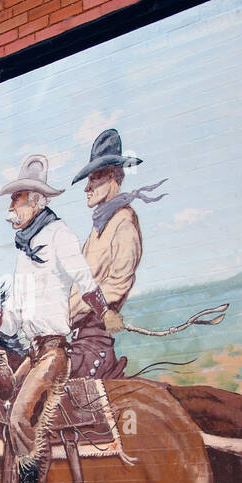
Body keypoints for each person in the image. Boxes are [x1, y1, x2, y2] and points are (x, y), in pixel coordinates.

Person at [0, 154, 110, 483]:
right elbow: (18, 321)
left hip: (54, 354)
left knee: (20, 418)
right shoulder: (24, 251)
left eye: (16, 200)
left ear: (36, 202)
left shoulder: (59, 235)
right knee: (3, 411)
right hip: (34, 352)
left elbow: (83, 277)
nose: (10, 210)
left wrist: (104, 311)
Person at [66, 128, 166, 378]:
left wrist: (68, 311)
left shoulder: (123, 222)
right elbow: (80, 284)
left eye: (93, 179)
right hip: (77, 341)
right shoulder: (98, 228)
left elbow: (117, 284)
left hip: (94, 345)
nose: (86, 188)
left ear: (111, 176)